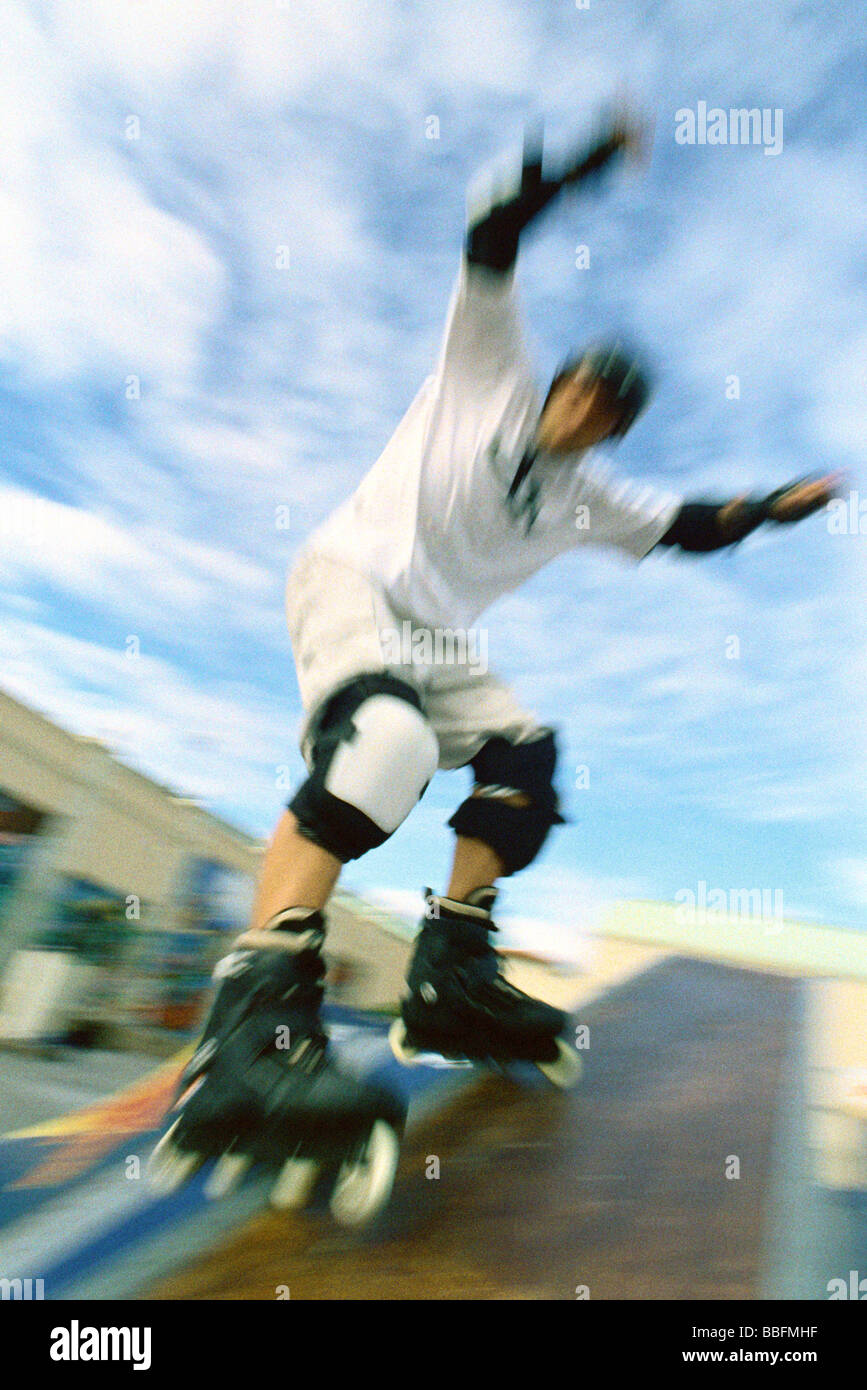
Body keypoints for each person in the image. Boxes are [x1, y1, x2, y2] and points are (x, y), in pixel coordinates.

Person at [150, 112, 839, 1223]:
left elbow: (693, 525)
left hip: (435, 639)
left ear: (611, 431)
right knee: (386, 747)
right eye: (578, 391)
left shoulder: (589, 497)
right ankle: (250, 1024)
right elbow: (491, 229)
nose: (582, 412)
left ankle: (452, 971)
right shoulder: (488, 373)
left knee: (527, 756)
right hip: (352, 580)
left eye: (605, 412)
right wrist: (582, 164)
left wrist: (782, 506)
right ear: (556, 381)